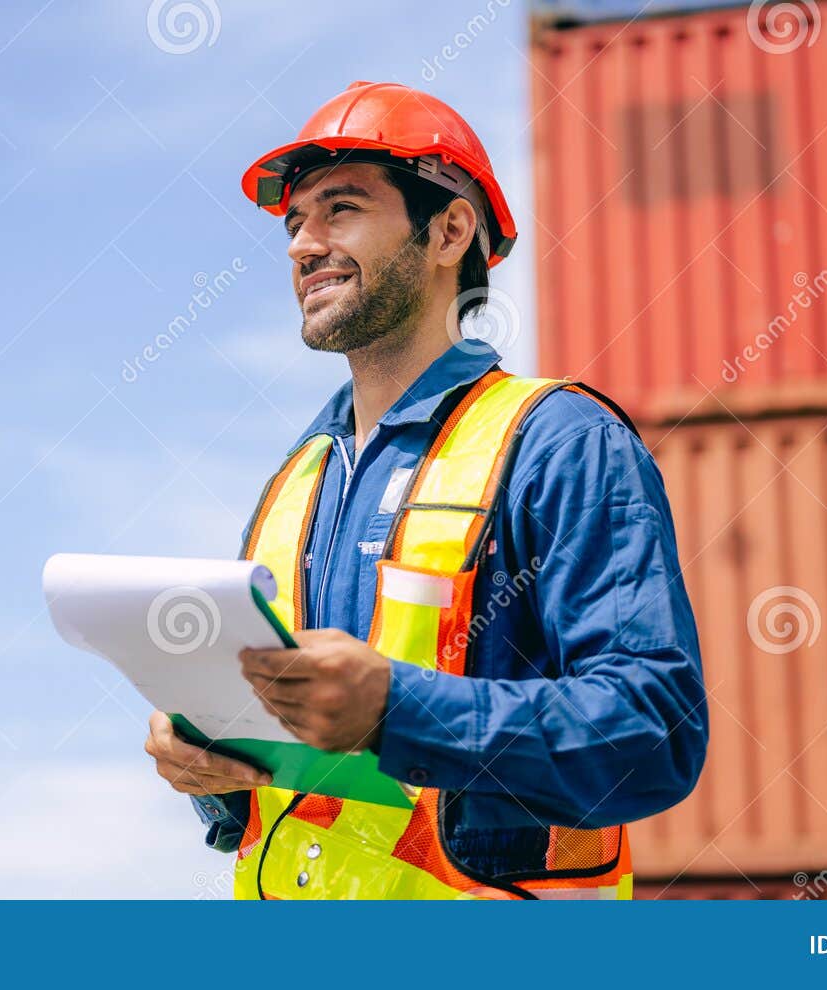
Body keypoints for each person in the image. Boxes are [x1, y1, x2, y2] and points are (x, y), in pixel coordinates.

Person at [144, 81, 706, 899]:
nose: (304, 244)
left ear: (448, 232)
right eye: (296, 221)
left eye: (341, 209)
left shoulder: (559, 442)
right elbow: (278, 772)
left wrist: (395, 710)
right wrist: (213, 765)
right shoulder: (295, 484)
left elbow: (653, 735)